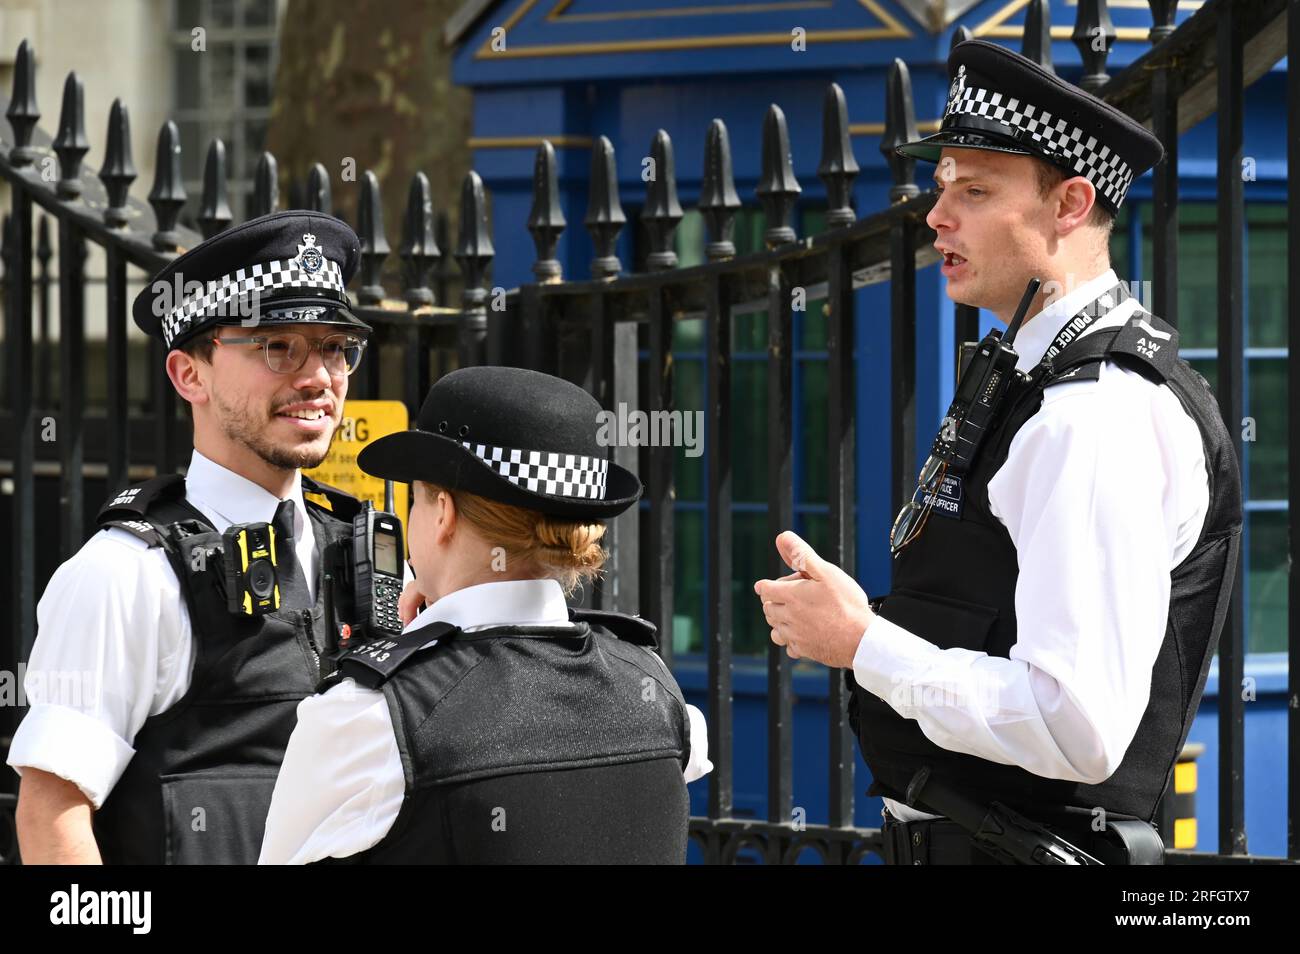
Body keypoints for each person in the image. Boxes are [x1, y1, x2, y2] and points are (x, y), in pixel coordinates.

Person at [753, 40, 1242, 864]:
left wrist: (863, 643)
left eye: (975, 190)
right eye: (942, 186)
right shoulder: (1037, 374)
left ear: (1071, 204)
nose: (938, 215)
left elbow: (1072, 724)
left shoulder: (1092, 416)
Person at [7, 210, 377, 864]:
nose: (319, 377)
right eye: (277, 346)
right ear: (189, 375)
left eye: (333, 347)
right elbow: (51, 820)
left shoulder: (359, 555)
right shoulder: (126, 575)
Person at [259, 365, 712, 864]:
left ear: (444, 513)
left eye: (416, 500)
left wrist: (428, 654)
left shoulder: (367, 718)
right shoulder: (660, 694)